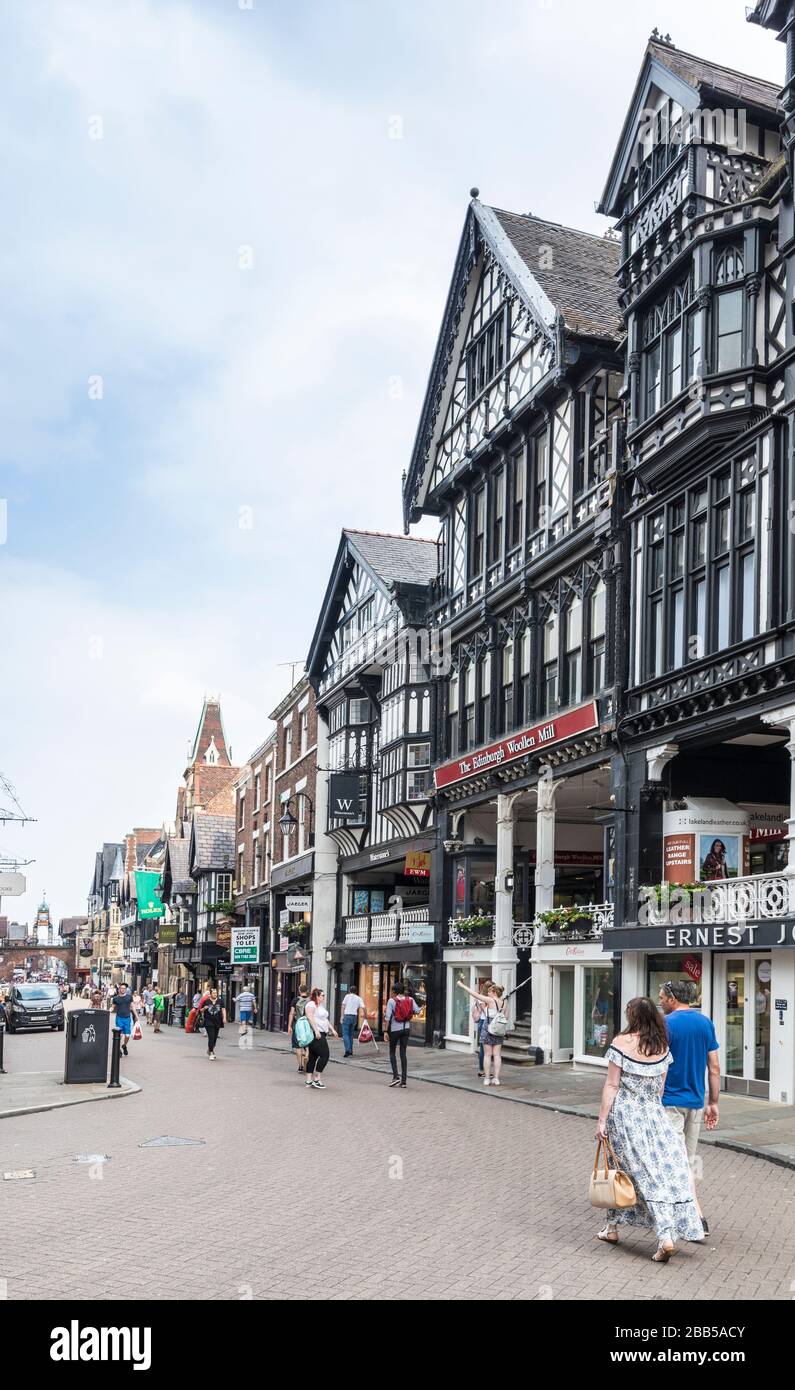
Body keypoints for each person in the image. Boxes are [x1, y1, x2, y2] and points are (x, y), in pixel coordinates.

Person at [595, 996, 704, 1262]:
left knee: (624, 1171)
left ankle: (663, 1235)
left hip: (625, 1116)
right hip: (654, 1115)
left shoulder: (621, 1043)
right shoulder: (662, 1046)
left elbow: (612, 1086)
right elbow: (660, 1089)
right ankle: (612, 1227)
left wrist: (601, 1120)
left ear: (631, 1016)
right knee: (658, 1170)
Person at [659, 979, 720, 1236]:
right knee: (686, 1159)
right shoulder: (705, 1022)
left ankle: (689, 1216)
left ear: (672, 998)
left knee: (670, 1160)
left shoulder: (665, 1024)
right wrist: (713, 1102)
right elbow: (714, 1067)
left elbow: (657, 1063)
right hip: (695, 1102)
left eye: (662, 997)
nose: (659, 1001)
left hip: (669, 1101)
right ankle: (693, 1215)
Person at [456, 978, 507, 1086]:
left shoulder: (490, 1000)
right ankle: (496, 1078)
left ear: (494, 993)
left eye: (489, 992)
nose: (487, 993)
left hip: (487, 1029)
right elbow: (506, 1017)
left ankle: (487, 1078)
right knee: (497, 1055)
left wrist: (462, 985)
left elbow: (474, 994)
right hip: (499, 1031)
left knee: (487, 1055)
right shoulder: (503, 1003)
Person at [384, 981, 420, 1089]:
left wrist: (386, 1031)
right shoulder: (410, 999)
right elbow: (417, 1011)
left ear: (394, 992)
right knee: (403, 1054)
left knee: (392, 1052)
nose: (391, 993)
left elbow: (387, 1017)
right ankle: (404, 1081)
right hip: (406, 1029)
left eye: (392, 991)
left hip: (395, 1029)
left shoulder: (392, 1001)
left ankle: (395, 1077)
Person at [304, 987, 337, 1089]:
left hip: (322, 1033)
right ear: (317, 996)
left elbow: (324, 1019)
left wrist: (332, 1029)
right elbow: (309, 1017)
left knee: (313, 1056)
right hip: (316, 1034)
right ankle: (317, 1078)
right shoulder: (311, 1004)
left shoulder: (320, 1006)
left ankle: (309, 1080)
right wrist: (316, 1030)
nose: (323, 997)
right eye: (322, 995)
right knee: (325, 1055)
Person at [287, 985, 310, 1074]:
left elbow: (291, 1013)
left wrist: (289, 1026)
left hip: (298, 1025)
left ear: (299, 990)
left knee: (298, 1046)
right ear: (307, 991)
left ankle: (300, 1066)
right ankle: (307, 1057)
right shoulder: (310, 1001)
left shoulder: (295, 1000)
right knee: (308, 1044)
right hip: (307, 1024)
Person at [111, 984, 138, 1058]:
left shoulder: (129, 997)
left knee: (127, 1035)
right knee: (120, 1034)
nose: (123, 989)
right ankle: (118, 1050)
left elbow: (132, 1006)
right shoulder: (115, 998)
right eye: (121, 988)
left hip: (127, 1018)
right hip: (119, 1018)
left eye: (124, 988)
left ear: (126, 989)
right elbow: (112, 1007)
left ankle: (124, 1045)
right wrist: (108, 1012)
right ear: (119, 989)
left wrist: (136, 1015)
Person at [198, 988, 226, 1059]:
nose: (215, 994)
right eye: (213, 993)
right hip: (208, 1021)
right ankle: (211, 1053)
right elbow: (200, 1011)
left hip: (218, 1021)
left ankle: (210, 1050)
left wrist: (224, 1018)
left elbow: (223, 1009)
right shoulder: (206, 1001)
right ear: (210, 994)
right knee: (211, 1037)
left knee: (215, 1038)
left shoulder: (220, 1001)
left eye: (216, 993)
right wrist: (204, 1008)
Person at [340, 986, 365, 1058]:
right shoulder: (358, 998)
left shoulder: (347, 996)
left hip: (347, 1016)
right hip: (354, 1017)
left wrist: (342, 1016)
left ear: (349, 991)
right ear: (356, 991)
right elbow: (364, 1007)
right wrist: (365, 1015)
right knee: (350, 1034)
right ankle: (350, 1050)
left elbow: (343, 1006)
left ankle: (347, 1050)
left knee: (345, 1034)